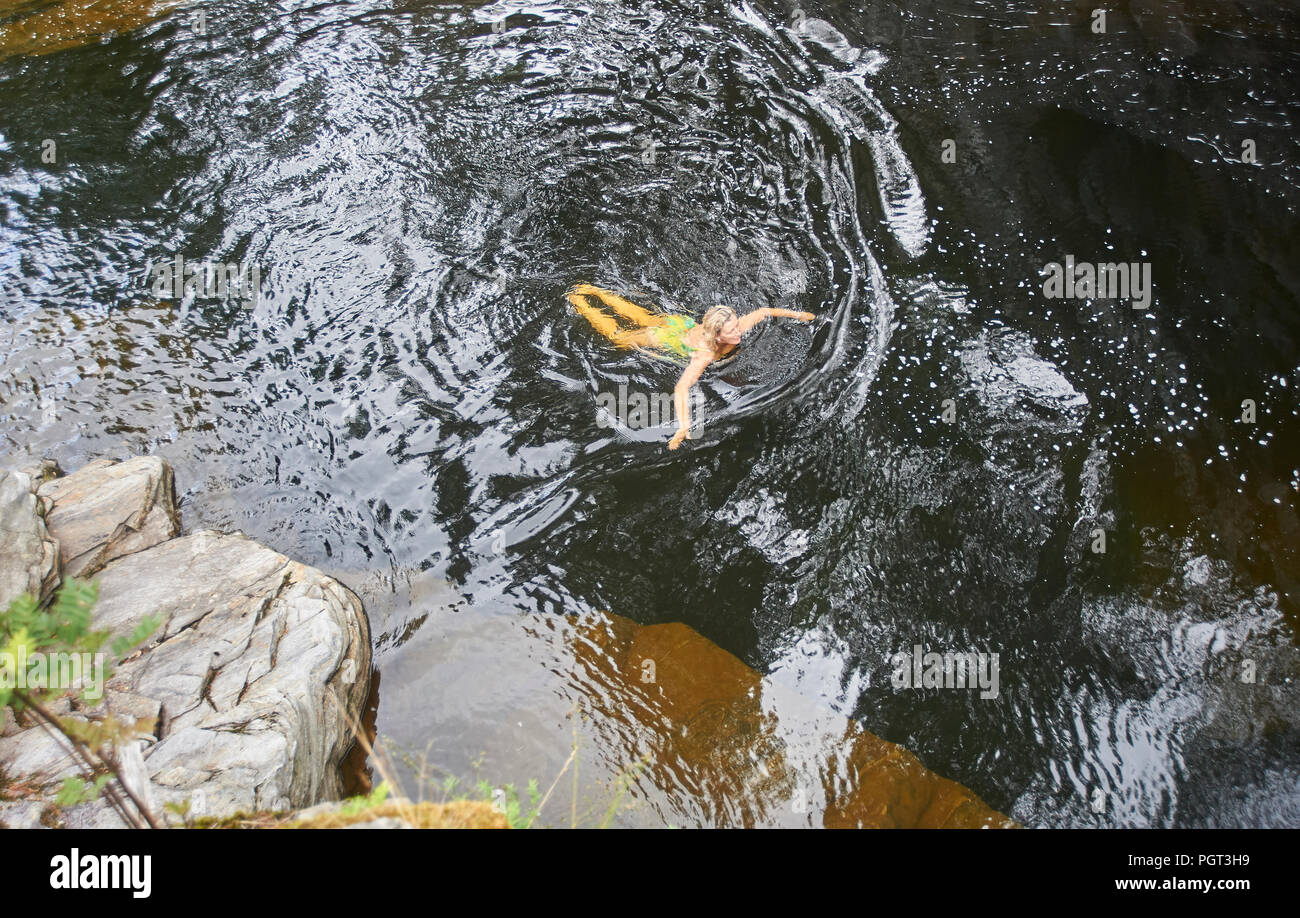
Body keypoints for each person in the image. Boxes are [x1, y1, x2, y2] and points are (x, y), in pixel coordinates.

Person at [567, 283, 816, 449]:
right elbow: (682, 388)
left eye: (736, 326)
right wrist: (684, 427)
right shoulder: (704, 354)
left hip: (681, 324)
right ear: (717, 336)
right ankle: (581, 301)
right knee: (619, 338)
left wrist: (799, 316)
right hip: (667, 337)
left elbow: (763, 311)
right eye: (731, 331)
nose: (739, 332)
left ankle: (593, 290)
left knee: (643, 316)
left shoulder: (735, 328)